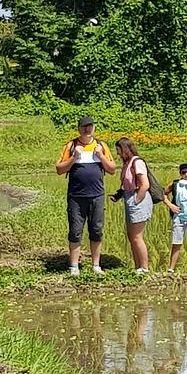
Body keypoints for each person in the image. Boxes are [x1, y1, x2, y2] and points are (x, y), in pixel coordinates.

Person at [55, 116, 116, 276]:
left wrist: (101, 156)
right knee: (75, 231)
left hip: (96, 196)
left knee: (96, 230)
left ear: (94, 128)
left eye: (89, 126)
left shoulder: (101, 145)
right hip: (76, 197)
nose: (87, 129)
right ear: (79, 129)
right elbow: (59, 169)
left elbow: (112, 169)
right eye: (84, 127)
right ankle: (74, 266)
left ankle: (96, 265)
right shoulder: (71, 145)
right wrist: (74, 157)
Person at [112, 138, 153, 274]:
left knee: (137, 236)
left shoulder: (137, 162)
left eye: (118, 151)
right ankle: (138, 267)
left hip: (138, 199)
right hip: (130, 197)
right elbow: (126, 184)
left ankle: (144, 267)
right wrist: (119, 195)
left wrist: (136, 200)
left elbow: (144, 184)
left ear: (124, 149)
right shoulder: (127, 164)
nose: (118, 154)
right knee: (131, 236)